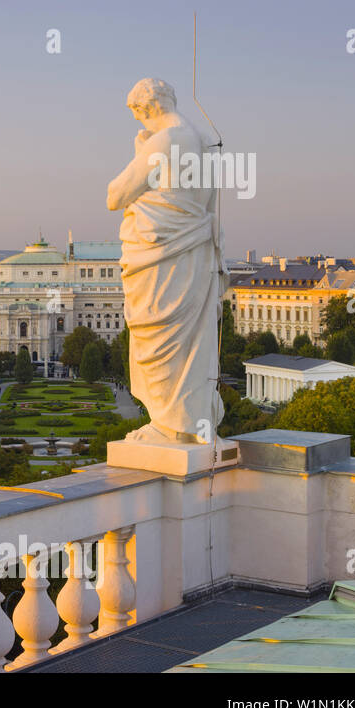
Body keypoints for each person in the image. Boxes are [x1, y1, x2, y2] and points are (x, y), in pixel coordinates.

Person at [106, 78, 225, 444]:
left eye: (138, 116)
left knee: (158, 339)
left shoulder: (164, 141)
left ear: (147, 108)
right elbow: (205, 204)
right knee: (191, 339)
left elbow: (115, 195)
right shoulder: (204, 142)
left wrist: (139, 150)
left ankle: (170, 426)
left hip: (159, 256)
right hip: (194, 250)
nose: (139, 124)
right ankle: (190, 425)